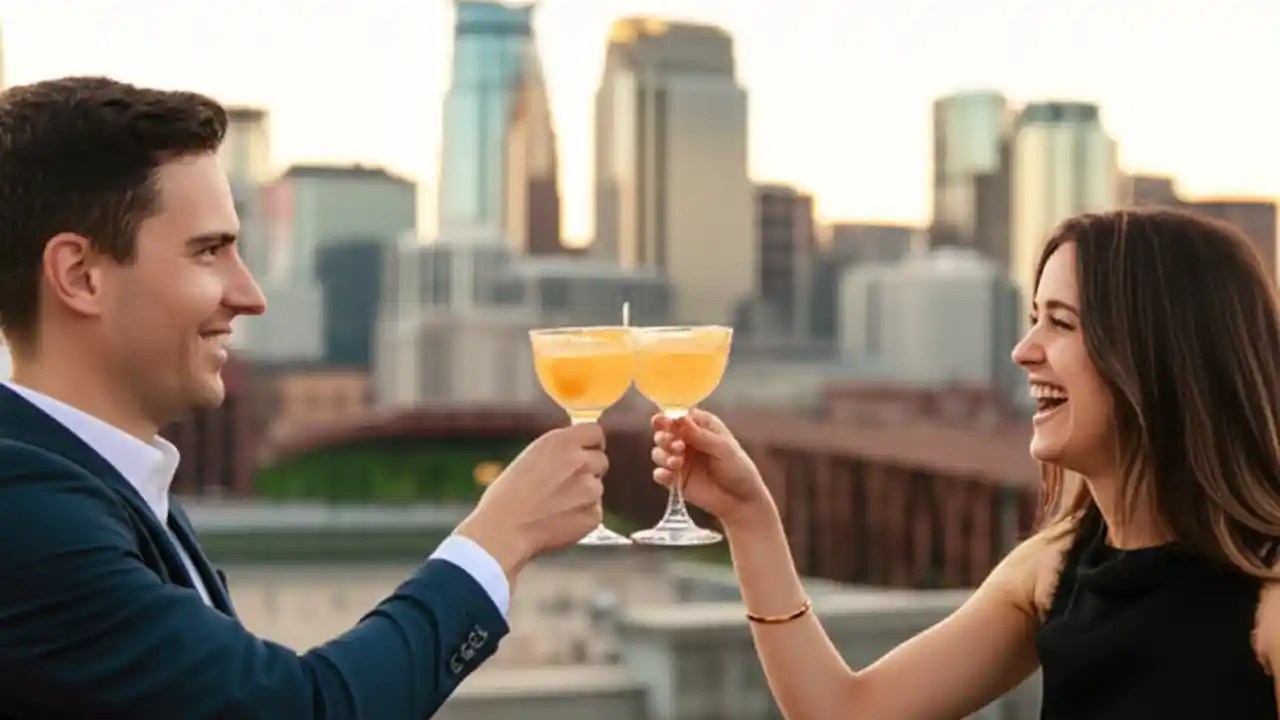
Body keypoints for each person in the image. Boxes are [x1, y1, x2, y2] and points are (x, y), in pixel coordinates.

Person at [0, 76, 608, 719]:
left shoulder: (115, 490)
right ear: (79, 276)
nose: (250, 295)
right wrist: (498, 538)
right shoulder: (25, 512)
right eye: (209, 251)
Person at [653, 208, 1280, 719]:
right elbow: (844, 714)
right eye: (1034, 319)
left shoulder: (1267, 606)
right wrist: (748, 516)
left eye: (1060, 324)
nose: (1023, 351)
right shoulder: (1056, 567)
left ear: (1157, 358)